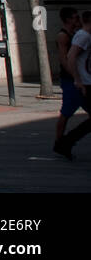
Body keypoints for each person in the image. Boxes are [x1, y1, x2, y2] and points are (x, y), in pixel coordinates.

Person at [54, 9, 91, 160]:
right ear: (67, 19)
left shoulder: (78, 34)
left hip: (81, 80)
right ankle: (61, 142)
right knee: (66, 112)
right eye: (75, 18)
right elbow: (67, 57)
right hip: (74, 81)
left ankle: (63, 143)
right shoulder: (69, 36)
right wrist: (77, 79)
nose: (78, 20)